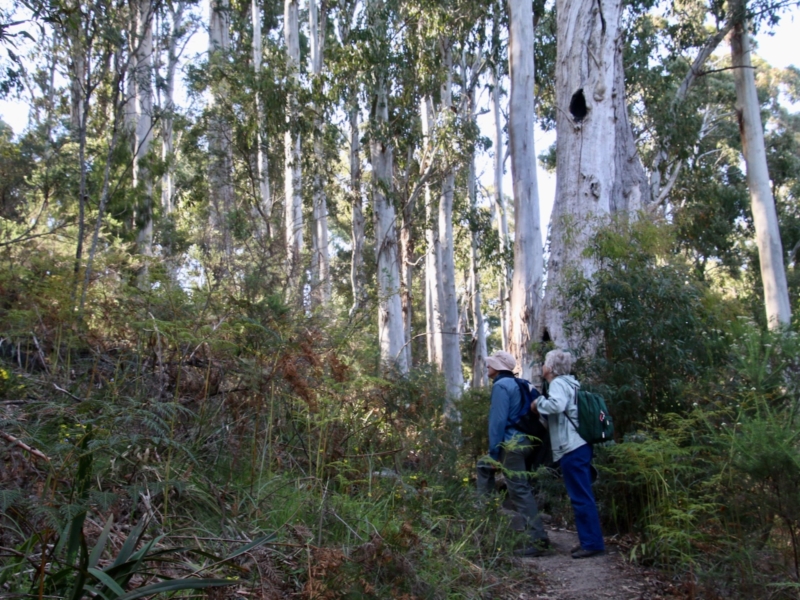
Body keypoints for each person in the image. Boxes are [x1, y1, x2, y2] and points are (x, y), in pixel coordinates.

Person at [476, 351, 551, 557]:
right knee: (483, 467)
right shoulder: (524, 384)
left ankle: (537, 538)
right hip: (528, 442)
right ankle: (487, 518)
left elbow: (497, 421)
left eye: (490, 364)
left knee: (519, 489)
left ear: (499, 368)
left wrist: (493, 452)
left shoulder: (501, 386)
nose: (487, 367)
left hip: (512, 445)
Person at [533, 349, 605, 559]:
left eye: (545, 363)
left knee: (580, 496)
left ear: (551, 367)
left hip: (572, 446)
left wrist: (538, 404)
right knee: (582, 494)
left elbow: (556, 405)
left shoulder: (558, 384)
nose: (543, 367)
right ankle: (589, 540)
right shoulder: (572, 383)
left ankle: (592, 543)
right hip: (580, 444)